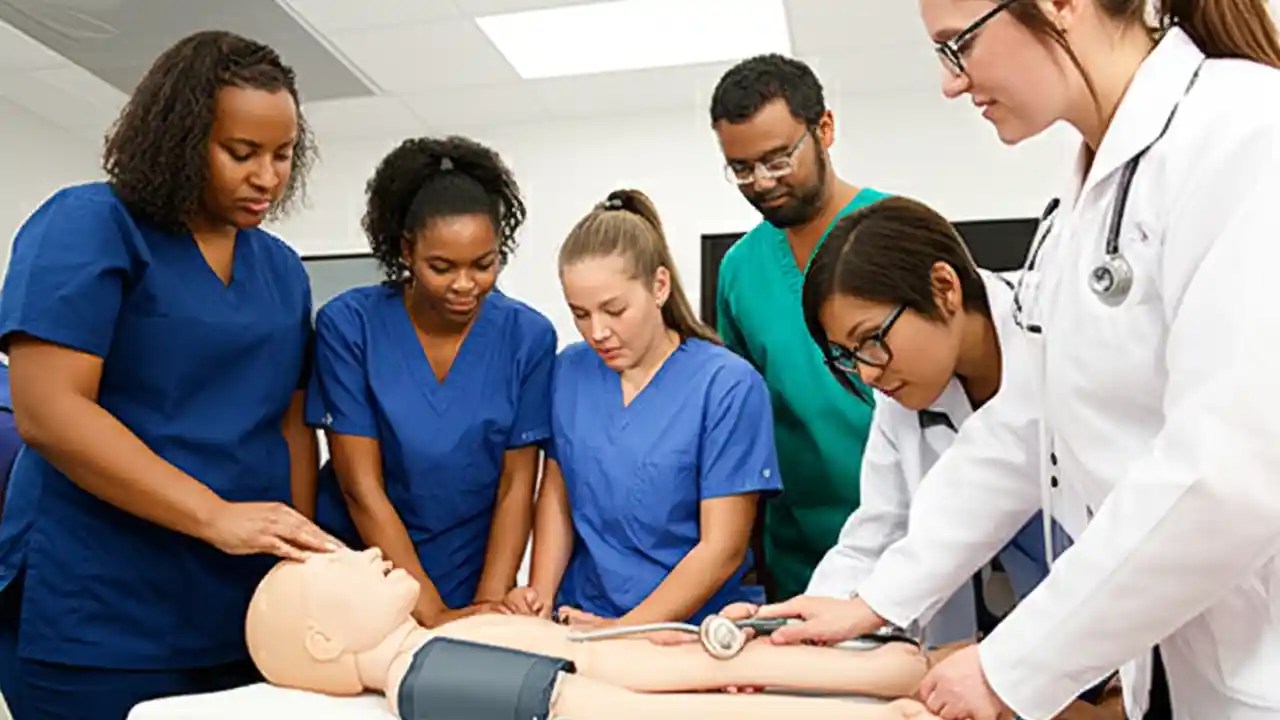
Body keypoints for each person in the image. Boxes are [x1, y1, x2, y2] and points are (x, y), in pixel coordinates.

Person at [736, 2, 1280, 719]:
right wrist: (873, 600)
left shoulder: (1244, 130)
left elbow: (1228, 470)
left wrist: (1009, 663)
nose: (950, 84)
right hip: (1183, 666)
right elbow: (1025, 431)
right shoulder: (1080, 204)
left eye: (957, 46)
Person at [0, 31, 341, 720]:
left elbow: (287, 422)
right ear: (180, 137)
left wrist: (301, 551)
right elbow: (48, 411)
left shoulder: (278, 268)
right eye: (241, 154)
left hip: (238, 606)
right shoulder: (89, 224)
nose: (267, 177)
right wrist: (215, 515)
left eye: (282, 156)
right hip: (99, 605)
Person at [798, 196, 1122, 718]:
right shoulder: (904, 396)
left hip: (1128, 640)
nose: (867, 372)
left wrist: (866, 608)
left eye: (871, 341)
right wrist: (800, 633)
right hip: (1007, 654)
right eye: (848, 355)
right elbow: (880, 535)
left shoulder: (1056, 336)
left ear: (944, 288)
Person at [305, 136, 555, 627]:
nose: (465, 285)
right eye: (442, 267)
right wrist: (430, 611)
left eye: (484, 265)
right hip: (363, 575)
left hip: (468, 574)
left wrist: (487, 607)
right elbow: (360, 486)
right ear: (406, 250)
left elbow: (516, 483)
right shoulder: (349, 326)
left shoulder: (527, 337)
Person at [503, 190, 781, 628]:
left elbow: (721, 548)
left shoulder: (727, 385)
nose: (598, 332)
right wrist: (540, 598)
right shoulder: (570, 370)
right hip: (581, 614)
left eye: (614, 310)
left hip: (690, 627)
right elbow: (557, 494)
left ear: (659, 286)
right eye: (580, 314)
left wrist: (625, 630)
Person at [241, 547, 938, 720]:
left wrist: (877, 675)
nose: (367, 555)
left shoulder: (442, 645)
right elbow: (647, 714)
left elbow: (659, 672)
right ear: (324, 644)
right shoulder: (433, 680)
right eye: (342, 570)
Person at [710, 54, 892, 601]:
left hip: (914, 533)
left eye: (778, 159)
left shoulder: (896, 232)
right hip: (794, 550)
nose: (762, 182)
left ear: (825, 130)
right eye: (742, 168)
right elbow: (744, 416)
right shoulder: (740, 270)